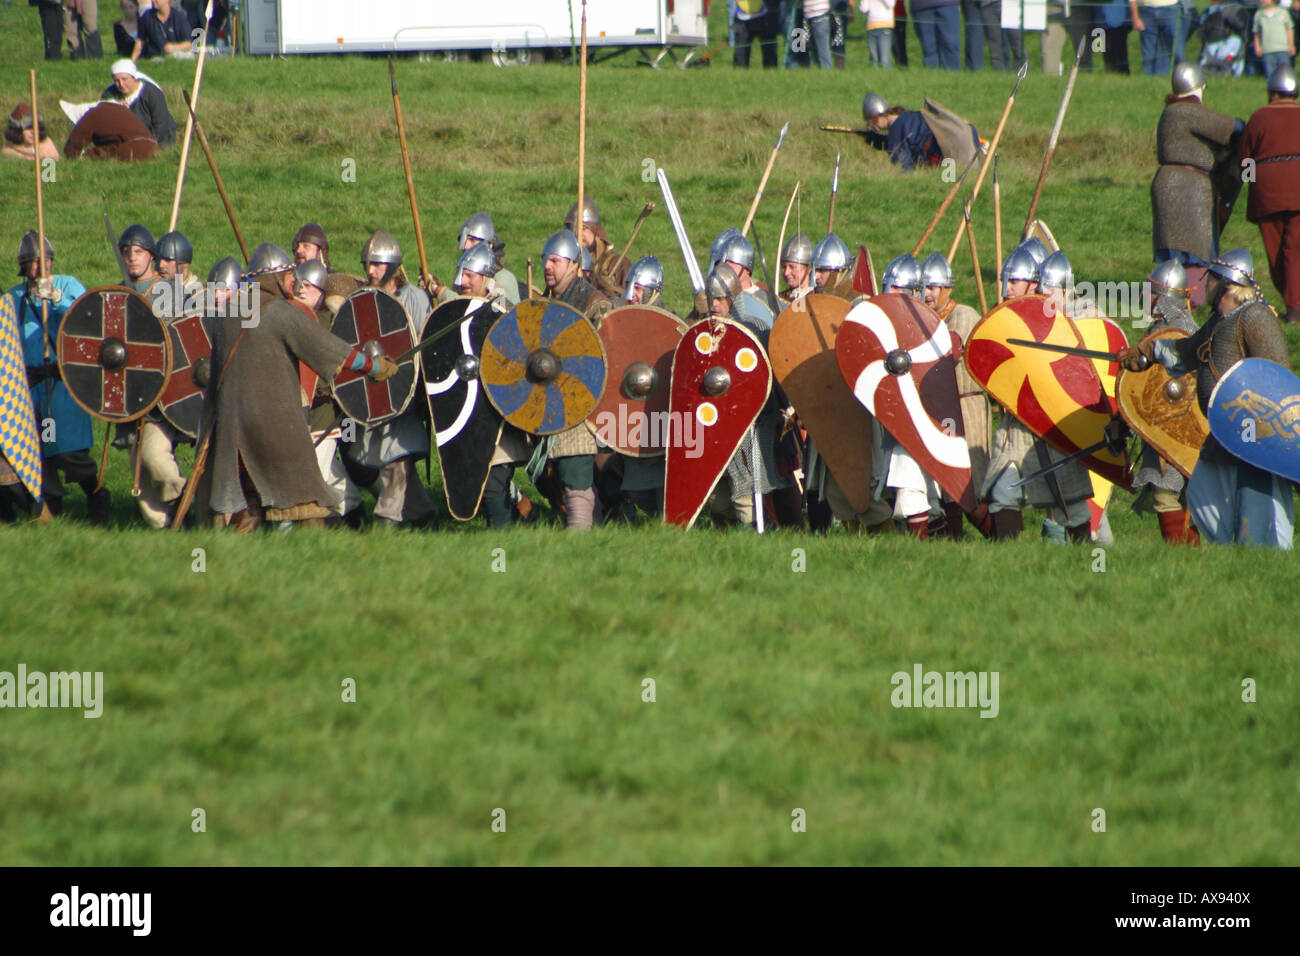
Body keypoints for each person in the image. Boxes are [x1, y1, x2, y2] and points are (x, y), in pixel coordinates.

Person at [197, 245, 397, 532]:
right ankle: (313, 551)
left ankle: (233, 563)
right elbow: (330, 350)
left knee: (248, 503)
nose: (294, 280)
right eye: (290, 274)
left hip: (231, 427)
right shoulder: (280, 312)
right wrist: (375, 367)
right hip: (273, 425)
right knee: (305, 495)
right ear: (277, 279)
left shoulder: (230, 312)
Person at [1119, 249, 1293, 548]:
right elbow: (1182, 352)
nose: (1205, 286)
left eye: (1211, 280)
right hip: (1223, 434)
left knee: (1256, 505)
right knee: (1201, 492)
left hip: (1256, 436)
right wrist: (1146, 354)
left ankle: (1258, 558)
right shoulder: (1217, 323)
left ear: (1227, 284)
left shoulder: (1255, 317)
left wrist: (1265, 433)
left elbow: (1277, 378)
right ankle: (1226, 553)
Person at [980, 245, 1095, 541]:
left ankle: (1088, 558)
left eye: (1052, 288)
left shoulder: (1083, 319)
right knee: (1003, 490)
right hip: (1020, 424)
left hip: (1061, 425)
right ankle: (1007, 561)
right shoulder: (1021, 320)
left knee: (1069, 506)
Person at [8, 231, 110, 522]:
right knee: (40, 450)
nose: (42, 267)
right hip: (30, 385)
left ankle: (95, 490)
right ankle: (51, 508)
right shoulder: (13, 298)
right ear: (24, 265)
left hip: (63, 382)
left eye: (46, 260)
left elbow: (88, 318)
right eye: (34, 262)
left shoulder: (68, 285)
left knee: (68, 451)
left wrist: (55, 298)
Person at [341, 230, 437, 529]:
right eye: (367, 263)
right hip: (372, 398)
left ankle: (385, 525)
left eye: (377, 264)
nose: (369, 270)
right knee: (365, 462)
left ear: (394, 267)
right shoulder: (364, 299)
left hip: (405, 400)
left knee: (397, 461)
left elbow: (425, 351)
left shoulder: (415, 299)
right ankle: (422, 515)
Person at [536, 229, 611, 531]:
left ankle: (580, 534)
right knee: (545, 473)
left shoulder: (594, 302)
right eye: (545, 259)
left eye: (555, 260)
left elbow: (604, 356)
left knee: (574, 467)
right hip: (544, 405)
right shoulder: (542, 302)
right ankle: (589, 526)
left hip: (582, 407)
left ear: (574, 265)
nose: (547, 266)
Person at [1150, 62, 1243, 297]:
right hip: (1187, 186)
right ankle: (1193, 296)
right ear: (1200, 87)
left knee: (1177, 248)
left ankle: (1173, 293)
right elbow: (1231, 128)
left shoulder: (1172, 110)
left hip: (1175, 182)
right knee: (1194, 248)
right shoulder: (1185, 110)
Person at [1129, 259, 1201, 544]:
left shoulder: (1179, 332)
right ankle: (1186, 563)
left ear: (1162, 296)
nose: (1145, 297)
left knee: (1170, 494)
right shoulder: (1161, 328)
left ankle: (1184, 560)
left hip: (1178, 430)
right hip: (1163, 430)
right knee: (1173, 496)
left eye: (1149, 292)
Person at [921, 252, 990, 537]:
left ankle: (1002, 539)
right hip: (944, 411)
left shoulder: (963, 314)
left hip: (967, 407)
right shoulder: (928, 318)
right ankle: (953, 540)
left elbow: (952, 349)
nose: (926, 293)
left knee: (971, 488)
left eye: (932, 287)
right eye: (923, 287)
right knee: (949, 484)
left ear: (947, 289)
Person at [1241, 66, 1300, 324]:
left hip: (1268, 191)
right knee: (1295, 250)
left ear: (1273, 93)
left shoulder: (1259, 117)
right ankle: (1295, 306)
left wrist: (1254, 185)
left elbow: (1245, 161)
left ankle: (1294, 306)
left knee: (1277, 252)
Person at [861, 92, 981, 171]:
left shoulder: (896, 127)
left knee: (947, 183)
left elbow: (903, 166)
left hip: (949, 151)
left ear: (876, 118)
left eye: (871, 123)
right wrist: (873, 139)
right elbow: (905, 142)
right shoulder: (908, 118)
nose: (874, 127)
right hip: (967, 135)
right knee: (967, 180)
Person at [565, 197, 628, 300]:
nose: (577, 234)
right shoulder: (566, 264)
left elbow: (629, 303)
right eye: (573, 229)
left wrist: (610, 290)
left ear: (595, 231)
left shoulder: (617, 265)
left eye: (584, 228)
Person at [101, 59, 175, 147]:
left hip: (156, 139)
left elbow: (161, 123)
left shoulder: (152, 93)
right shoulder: (109, 94)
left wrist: (152, 144)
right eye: (116, 81)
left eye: (125, 79)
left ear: (133, 77)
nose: (121, 84)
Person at [456, 212, 522, 305]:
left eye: (472, 240)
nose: (465, 246)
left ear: (489, 245)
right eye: (464, 240)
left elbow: (499, 311)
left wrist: (441, 291)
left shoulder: (505, 278)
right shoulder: (462, 277)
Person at [63, 100, 158, 160]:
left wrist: (82, 155)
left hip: (132, 151)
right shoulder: (120, 110)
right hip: (154, 149)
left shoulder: (91, 115)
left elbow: (71, 150)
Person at [1130, 0, 1180, 75]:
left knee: (1170, 50)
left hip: (1169, 8)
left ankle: (1166, 77)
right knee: (1148, 52)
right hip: (1146, 10)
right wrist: (1135, 17)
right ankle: (1147, 80)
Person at [910, 0, 961, 70]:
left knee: (950, 44)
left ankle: (953, 77)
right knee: (928, 46)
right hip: (921, 6)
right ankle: (932, 76)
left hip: (948, 4)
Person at [1253, 0, 1296, 78]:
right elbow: (1256, 33)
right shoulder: (1259, 14)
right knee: (1271, 74)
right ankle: (1273, 89)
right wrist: (1257, 46)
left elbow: (1289, 29)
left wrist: (1291, 45)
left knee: (1285, 72)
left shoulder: (1283, 12)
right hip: (1267, 49)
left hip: (1282, 48)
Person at [733, 0, 780, 67]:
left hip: (765, 14)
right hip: (742, 16)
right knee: (741, 55)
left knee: (769, 54)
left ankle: (771, 74)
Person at [777, 233, 814, 305]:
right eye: (784, 267)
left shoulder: (816, 298)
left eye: (792, 267)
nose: (786, 273)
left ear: (808, 268)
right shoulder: (781, 298)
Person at [862, 0, 895, 67]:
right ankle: (875, 76)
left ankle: (887, 76)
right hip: (871, 26)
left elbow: (891, 4)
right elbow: (864, 9)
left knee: (885, 60)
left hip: (885, 25)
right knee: (874, 60)